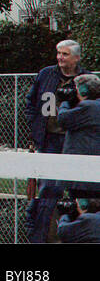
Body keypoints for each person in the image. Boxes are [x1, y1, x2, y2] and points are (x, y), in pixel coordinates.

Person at [25, 39, 89, 243]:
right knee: (48, 190)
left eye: (65, 54)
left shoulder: (86, 79)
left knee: (75, 190)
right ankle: (44, 236)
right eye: (58, 53)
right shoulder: (46, 75)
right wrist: (35, 128)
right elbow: (31, 101)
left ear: (77, 57)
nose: (60, 57)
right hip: (49, 140)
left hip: (75, 142)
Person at [60, 72, 100, 200]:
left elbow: (63, 120)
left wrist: (65, 102)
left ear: (84, 91)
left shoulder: (88, 106)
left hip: (83, 172)